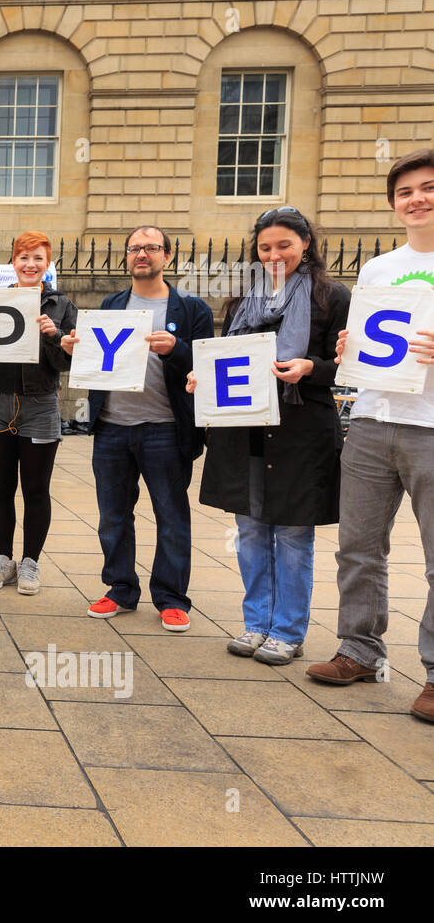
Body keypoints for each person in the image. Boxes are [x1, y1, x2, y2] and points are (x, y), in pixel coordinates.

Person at [187, 209, 349, 664]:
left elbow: (350, 364)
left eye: (284, 245)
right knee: (251, 528)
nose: (274, 254)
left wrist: (311, 368)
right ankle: (256, 623)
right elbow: (226, 358)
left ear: (306, 245)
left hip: (301, 431)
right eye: (265, 247)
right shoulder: (241, 301)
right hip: (244, 431)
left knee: (295, 534)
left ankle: (288, 631)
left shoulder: (331, 297)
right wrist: (204, 380)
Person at [307, 148, 434, 722]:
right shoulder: (380, 269)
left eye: (428, 188)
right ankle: (358, 649)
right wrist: (347, 352)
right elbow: (366, 343)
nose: (418, 199)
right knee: (358, 547)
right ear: (393, 204)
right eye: (406, 192)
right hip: (372, 420)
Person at [63, 225, 214, 631]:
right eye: (134, 248)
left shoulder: (191, 309)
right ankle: (120, 589)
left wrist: (177, 350)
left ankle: (171, 597)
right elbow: (95, 359)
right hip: (112, 426)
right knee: (113, 515)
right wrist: (73, 349)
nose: (141, 254)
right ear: (127, 257)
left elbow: (208, 364)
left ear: (167, 255)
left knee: (171, 514)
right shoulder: (111, 304)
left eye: (150, 248)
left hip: (166, 427)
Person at [0, 231, 77, 595]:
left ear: (48, 264)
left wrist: (53, 334)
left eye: (38, 258)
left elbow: (66, 363)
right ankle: (2, 558)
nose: (30, 264)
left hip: (40, 403)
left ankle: (30, 562)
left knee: (36, 489)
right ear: (13, 262)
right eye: (24, 257)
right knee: (0, 486)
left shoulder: (60, 305)